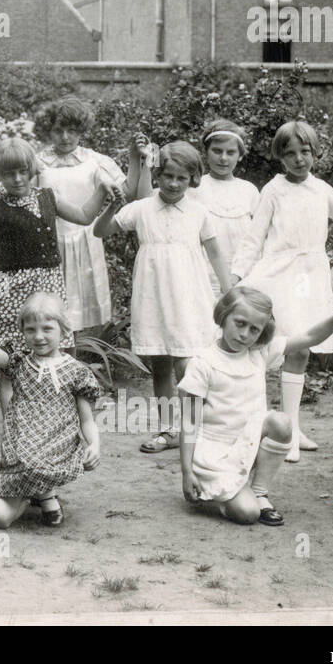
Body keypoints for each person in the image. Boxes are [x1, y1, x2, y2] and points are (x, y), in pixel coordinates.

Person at [230, 120, 333, 461]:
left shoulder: (320, 188)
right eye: (291, 154)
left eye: (305, 152)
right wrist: (236, 276)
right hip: (279, 274)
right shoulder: (273, 190)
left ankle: (292, 426)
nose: (299, 160)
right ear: (280, 158)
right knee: (280, 346)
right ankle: (261, 426)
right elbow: (253, 237)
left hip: (310, 276)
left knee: (302, 349)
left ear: (316, 153)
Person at [178, 285, 333, 526]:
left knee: (281, 423)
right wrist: (187, 472)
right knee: (247, 515)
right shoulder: (203, 363)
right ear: (223, 316)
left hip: (248, 441)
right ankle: (224, 494)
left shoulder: (259, 352)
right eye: (239, 323)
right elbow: (189, 421)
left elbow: (310, 337)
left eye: (254, 329)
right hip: (214, 451)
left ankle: (259, 492)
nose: (245, 335)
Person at [94, 141, 231, 453]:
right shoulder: (142, 209)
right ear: (157, 175)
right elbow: (100, 232)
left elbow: (215, 253)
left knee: (189, 365)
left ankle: (196, 429)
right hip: (153, 295)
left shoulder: (199, 212)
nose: (173, 183)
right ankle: (168, 430)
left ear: (193, 179)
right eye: (168, 175)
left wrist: (229, 292)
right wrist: (111, 206)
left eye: (182, 178)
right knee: (160, 363)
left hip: (188, 296)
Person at [0, 135, 117, 360]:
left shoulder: (48, 197)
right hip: (13, 291)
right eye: (9, 173)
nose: (17, 179)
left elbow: (84, 216)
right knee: (13, 358)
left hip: (49, 287)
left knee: (55, 347)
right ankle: (13, 394)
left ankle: (57, 394)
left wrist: (102, 189)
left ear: (32, 169)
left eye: (23, 171)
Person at [0, 292, 103, 529]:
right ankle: (34, 494)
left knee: (36, 462)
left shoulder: (76, 372)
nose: (38, 336)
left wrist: (94, 444)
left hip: (56, 444)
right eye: (30, 330)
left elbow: (87, 420)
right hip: (19, 451)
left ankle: (45, 492)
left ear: (63, 329)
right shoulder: (19, 362)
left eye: (47, 329)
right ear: (22, 331)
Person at [34, 96, 149, 329]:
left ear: (81, 131)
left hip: (84, 240)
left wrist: (134, 158)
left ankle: (80, 359)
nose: (65, 137)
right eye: (58, 130)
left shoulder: (94, 161)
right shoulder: (38, 162)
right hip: (48, 242)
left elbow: (127, 192)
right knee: (48, 310)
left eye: (72, 130)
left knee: (81, 316)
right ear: (49, 130)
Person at [188, 118, 260, 299]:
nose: (223, 158)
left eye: (231, 152)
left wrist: (239, 274)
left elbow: (257, 238)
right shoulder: (194, 188)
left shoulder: (249, 190)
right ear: (206, 152)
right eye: (217, 151)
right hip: (203, 277)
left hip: (244, 275)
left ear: (240, 155)